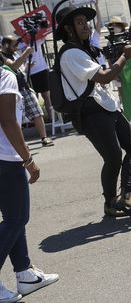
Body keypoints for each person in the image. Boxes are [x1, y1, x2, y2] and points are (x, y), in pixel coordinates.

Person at [54, 5, 131, 219]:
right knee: (113, 158)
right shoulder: (71, 54)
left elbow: (107, 76)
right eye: (79, 22)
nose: (86, 25)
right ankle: (110, 203)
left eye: (85, 21)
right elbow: (104, 77)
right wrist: (125, 56)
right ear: (68, 29)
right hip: (91, 112)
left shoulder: (88, 50)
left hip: (106, 106)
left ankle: (127, 195)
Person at [0, 65, 59, 301]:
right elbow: (7, 120)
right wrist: (29, 159)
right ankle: (24, 273)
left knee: (13, 217)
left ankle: (24, 273)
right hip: (5, 158)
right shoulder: (5, 76)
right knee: (17, 219)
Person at [0, 38, 52, 147]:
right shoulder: (1, 55)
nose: (16, 48)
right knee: (17, 118)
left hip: (24, 87)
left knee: (37, 112)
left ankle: (44, 138)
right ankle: (22, 144)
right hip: (12, 90)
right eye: (14, 45)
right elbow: (13, 66)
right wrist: (26, 53)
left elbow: (19, 67)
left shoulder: (14, 54)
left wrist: (27, 66)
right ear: (5, 45)